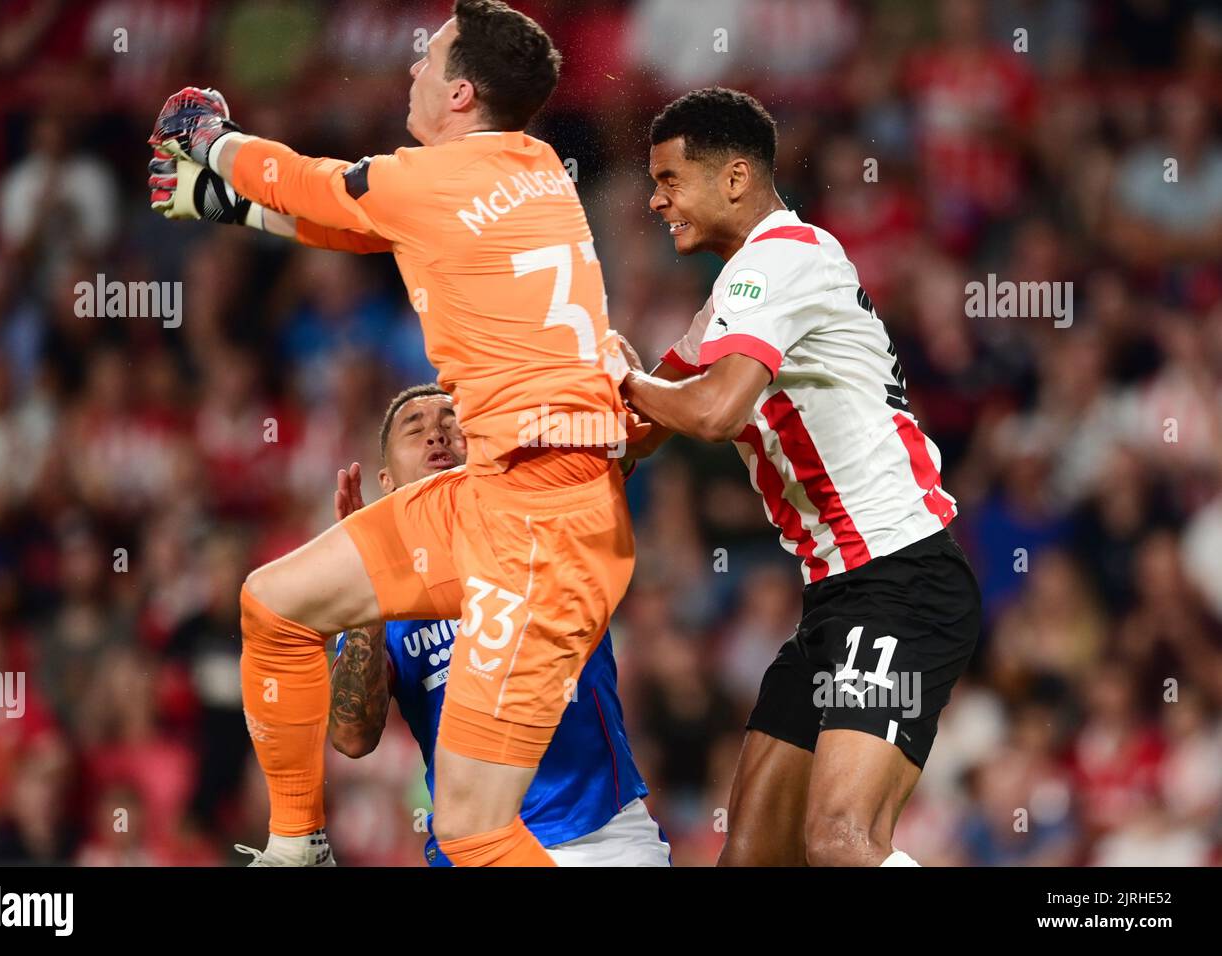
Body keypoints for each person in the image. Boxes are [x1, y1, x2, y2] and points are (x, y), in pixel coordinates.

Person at [148, 0, 637, 866]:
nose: (411, 72)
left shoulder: (431, 180)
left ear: (460, 92)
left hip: (538, 523)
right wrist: (233, 209)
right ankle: (297, 846)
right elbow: (370, 223)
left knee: (472, 830)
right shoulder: (534, 168)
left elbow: (310, 183)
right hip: (504, 493)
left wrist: (211, 137)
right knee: (275, 603)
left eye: (428, 59)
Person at [620, 87, 981, 867]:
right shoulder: (737, 291)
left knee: (843, 845)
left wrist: (621, 380)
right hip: (839, 600)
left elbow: (711, 411)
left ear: (737, 177)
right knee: (751, 856)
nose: (655, 200)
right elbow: (649, 421)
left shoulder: (782, 258)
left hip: (901, 583)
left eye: (670, 180)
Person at [315, 384, 668, 866]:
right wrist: (367, 590)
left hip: (599, 837)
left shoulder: (542, 516)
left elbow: (622, 447)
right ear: (386, 481)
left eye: (451, 424)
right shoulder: (382, 600)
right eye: (414, 430)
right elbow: (352, 738)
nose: (436, 435)